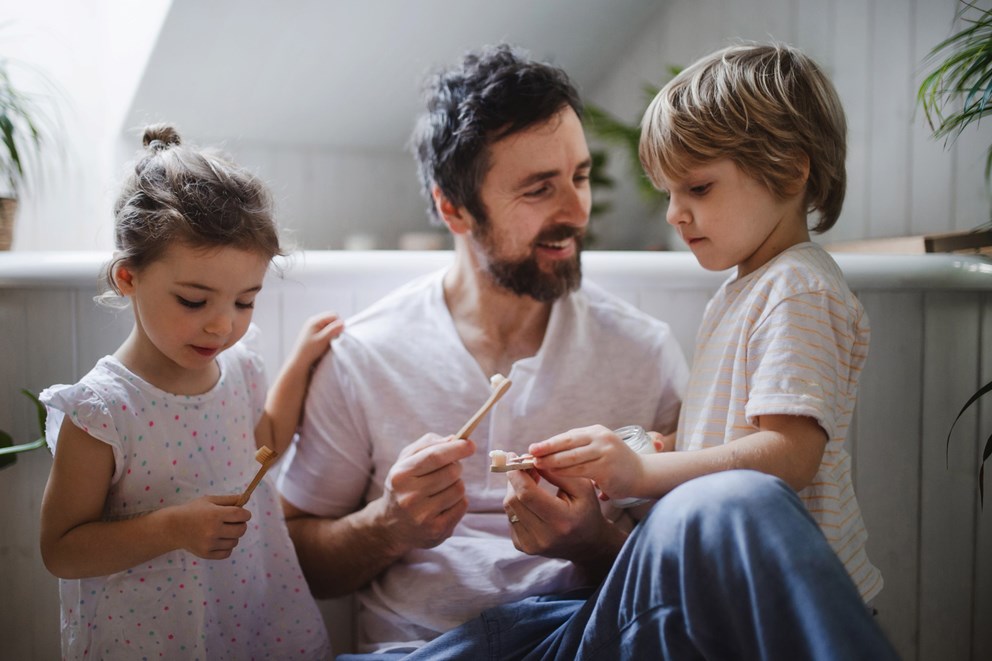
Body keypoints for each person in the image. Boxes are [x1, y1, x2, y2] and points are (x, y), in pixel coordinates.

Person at [276, 43, 689, 654]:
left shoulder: (642, 351)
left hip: (580, 639)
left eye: (579, 177)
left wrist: (592, 543)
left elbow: (689, 571)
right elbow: (301, 563)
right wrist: (390, 525)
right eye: (538, 189)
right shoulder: (366, 354)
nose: (576, 213)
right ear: (453, 206)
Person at [529, 42, 883, 603]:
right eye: (669, 192)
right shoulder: (743, 290)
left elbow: (788, 455)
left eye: (698, 188)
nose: (675, 212)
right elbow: (741, 440)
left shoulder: (798, 289)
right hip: (747, 586)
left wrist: (643, 477)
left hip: (793, 599)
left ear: (789, 171)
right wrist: (671, 452)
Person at [38, 124, 338, 660]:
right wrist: (172, 528)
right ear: (128, 278)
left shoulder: (240, 369)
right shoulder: (102, 411)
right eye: (195, 302)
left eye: (245, 302)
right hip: (149, 637)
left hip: (241, 614)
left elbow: (264, 446)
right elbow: (61, 550)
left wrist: (300, 362)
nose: (222, 327)